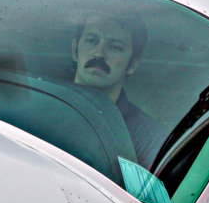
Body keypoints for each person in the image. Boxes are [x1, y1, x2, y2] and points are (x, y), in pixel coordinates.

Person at [70, 12, 165, 167]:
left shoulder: (149, 142)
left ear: (133, 64)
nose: (99, 53)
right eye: (92, 40)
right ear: (75, 49)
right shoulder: (37, 107)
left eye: (115, 47)